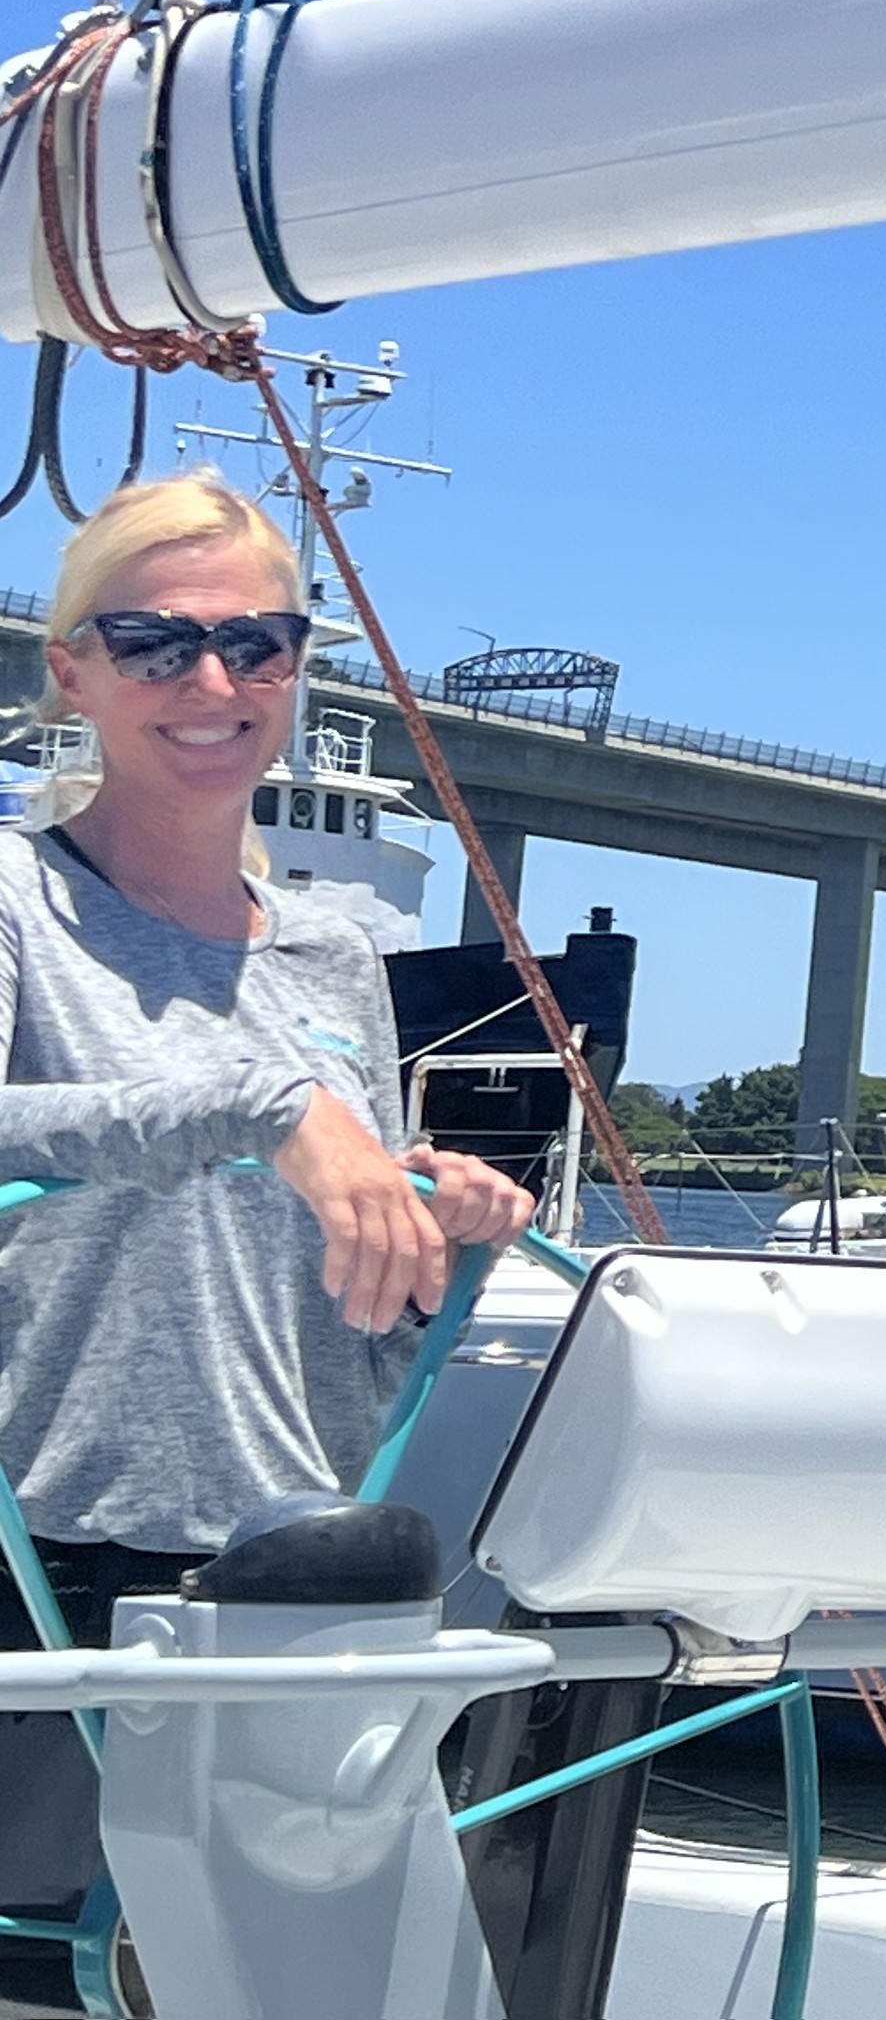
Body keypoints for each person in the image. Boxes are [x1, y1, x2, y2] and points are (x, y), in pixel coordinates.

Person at [0, 476, 536, 1919]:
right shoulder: (14, 902)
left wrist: (433, 1220)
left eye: (259, 643)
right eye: (155, 642)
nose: (213, 681)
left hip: (297, 1570)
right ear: (74, 673)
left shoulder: (334, 956)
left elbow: (361, 1304)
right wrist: (263, 1109)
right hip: (47, 1562)